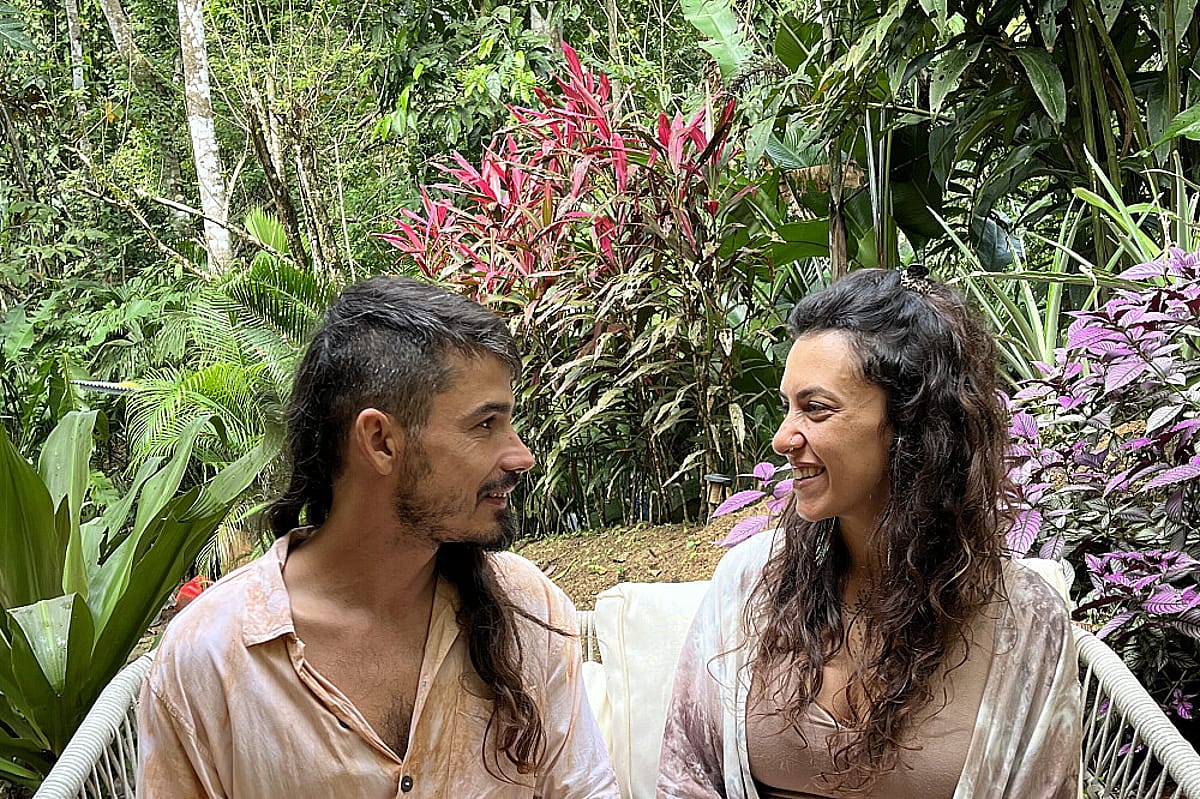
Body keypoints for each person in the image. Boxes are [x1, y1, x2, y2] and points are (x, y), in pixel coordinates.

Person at [138, 276, 620, 798]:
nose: (520, 455)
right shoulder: (210, 658)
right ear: (381, 441)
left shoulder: (528, 609)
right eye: (485, 425)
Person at [657, 268, 1081, 798]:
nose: (783, 437)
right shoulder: (748, 584)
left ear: (909, 421)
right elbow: (685, 777)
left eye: (814, 409)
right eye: (788, 408)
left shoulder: (1019, 619)